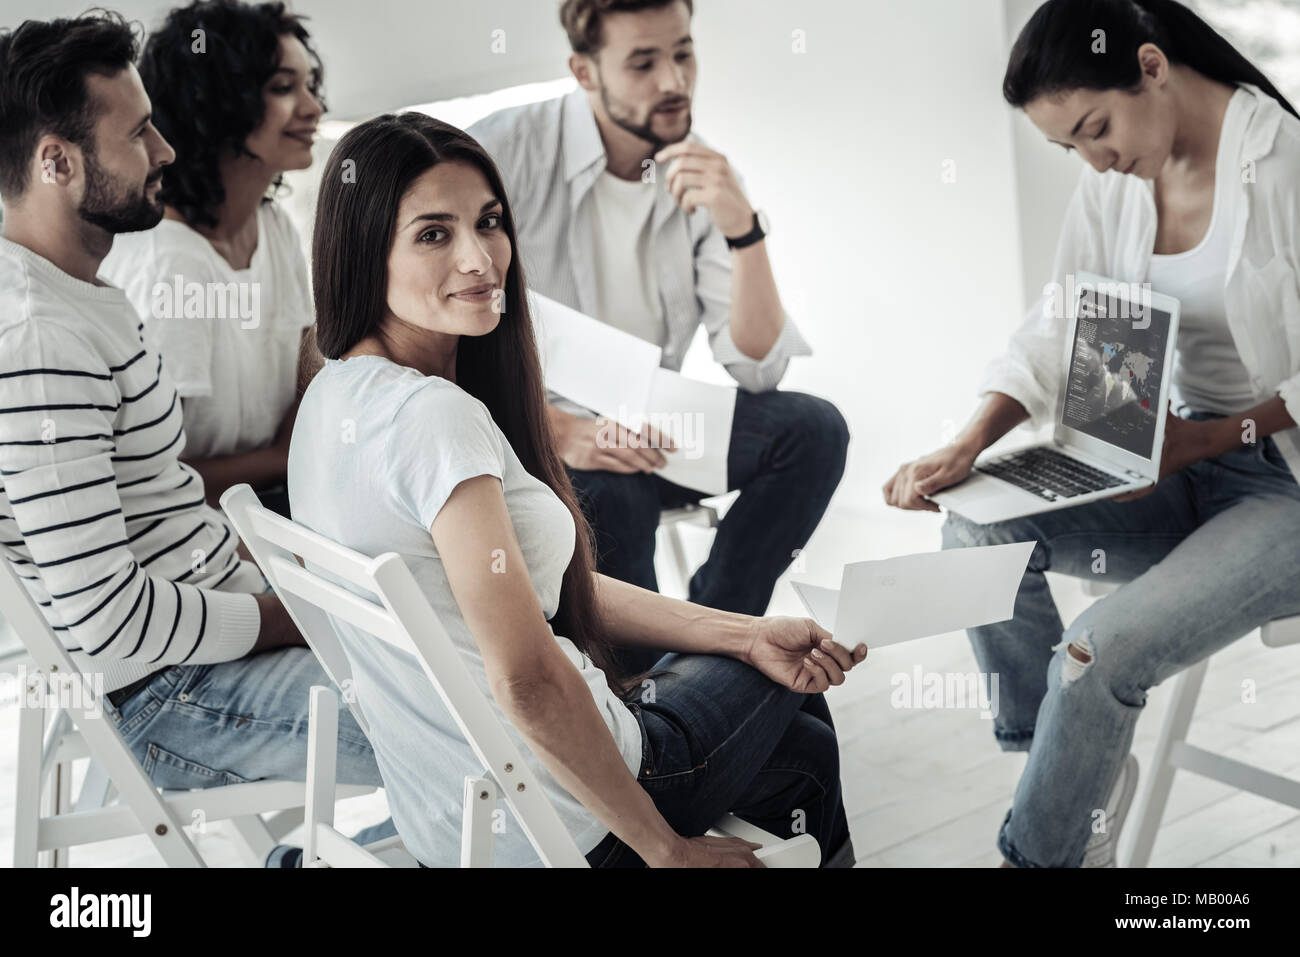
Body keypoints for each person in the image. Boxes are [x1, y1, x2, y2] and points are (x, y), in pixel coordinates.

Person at [288, 111, 865, 868]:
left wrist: (745, 631)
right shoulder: (433, 419)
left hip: (456, 814)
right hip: (564, 812)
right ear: (366, 252)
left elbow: (546, 588)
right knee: (803, 711)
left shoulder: (329, 398)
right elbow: (527, 679)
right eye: (433, 234)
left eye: (488, 222)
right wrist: (664, 850)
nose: (479, 259)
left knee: (796, 730)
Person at [882, 0, 1300, 867]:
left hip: (1284, 486)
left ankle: (1043, 846)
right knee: (974, 534)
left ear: (1151, 65)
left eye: (1096, 129)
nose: (1094, 161)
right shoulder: (1115, 180)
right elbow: (1061, 323)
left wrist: (1205, 441)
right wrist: (970, 442)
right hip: (1172, 460)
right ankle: (1077, 779)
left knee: (1094, 653)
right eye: (1067, 146)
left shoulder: (1283, 161)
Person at [0, 12, 389, 864]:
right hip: (167, 696)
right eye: (138, 133)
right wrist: (294, 615)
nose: (166, 150)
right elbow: (112, 624)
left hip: (216, 629)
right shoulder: (37, 338)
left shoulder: (77, 295)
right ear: (57, 162)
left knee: (514, 677)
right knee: (498, 724)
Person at [467, 0, 849, 675]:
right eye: (643, 62)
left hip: (649, 420)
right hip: (535, 430)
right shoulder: (502, 153)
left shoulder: (701, 172)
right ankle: (646, 686)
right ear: (584, 72)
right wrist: (561, 429)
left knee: (814, 432)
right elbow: (435, 338)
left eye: (683, 52)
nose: (673, 81)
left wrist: (744, 229)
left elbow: (758, 369)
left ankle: (716, 648)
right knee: (614, 494)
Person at [101, 0, 324, 517]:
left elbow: (308, 366)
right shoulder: (169, 259)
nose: (313, 107)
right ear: (218, 102)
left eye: (310, 85)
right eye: (283, 88)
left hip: (271, 505)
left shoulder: (274, 225)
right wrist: (285, 457)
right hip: (187, 527)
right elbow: (152, 481)